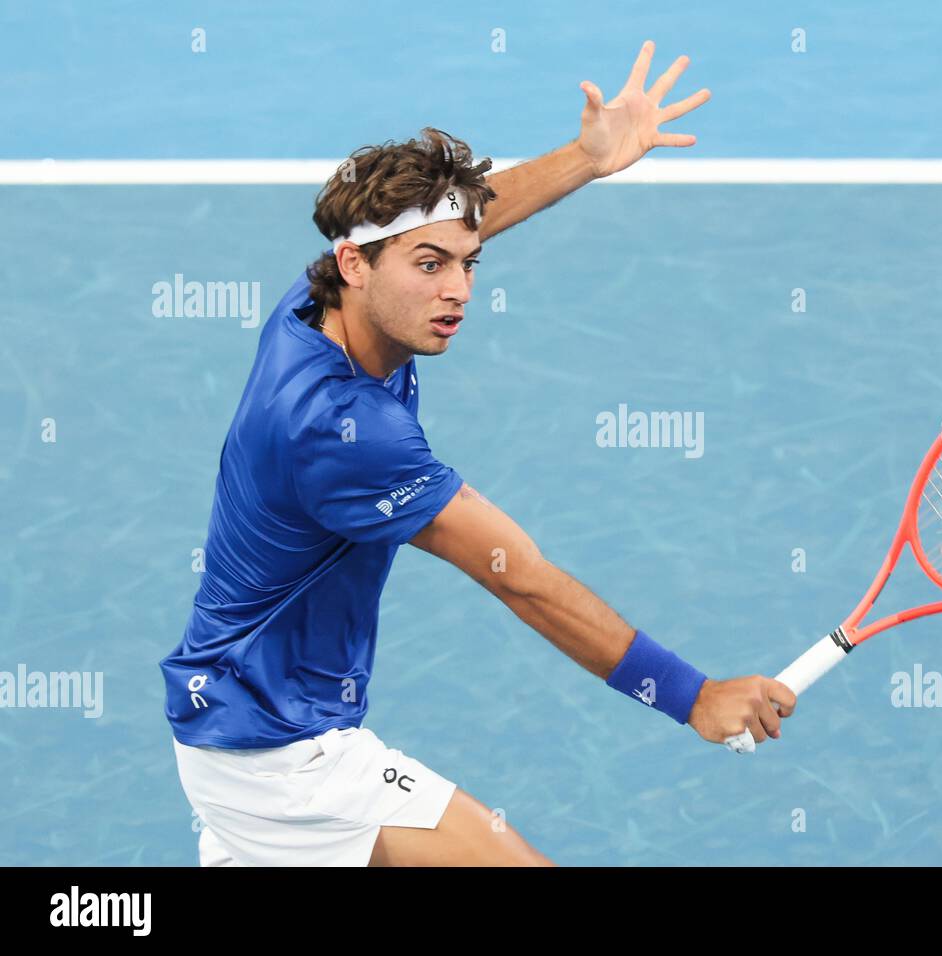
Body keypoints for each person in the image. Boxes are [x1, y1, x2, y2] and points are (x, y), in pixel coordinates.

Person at [159, 41, 795, 867]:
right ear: (356, 265)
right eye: (432, 268)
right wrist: (693, 695)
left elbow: (457, 220)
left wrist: (586, 158)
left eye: (467, 265)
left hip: (234, 722)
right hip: (281, 755)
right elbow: (519, 575)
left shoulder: (316, 302)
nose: (458, 289)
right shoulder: (344, 434)